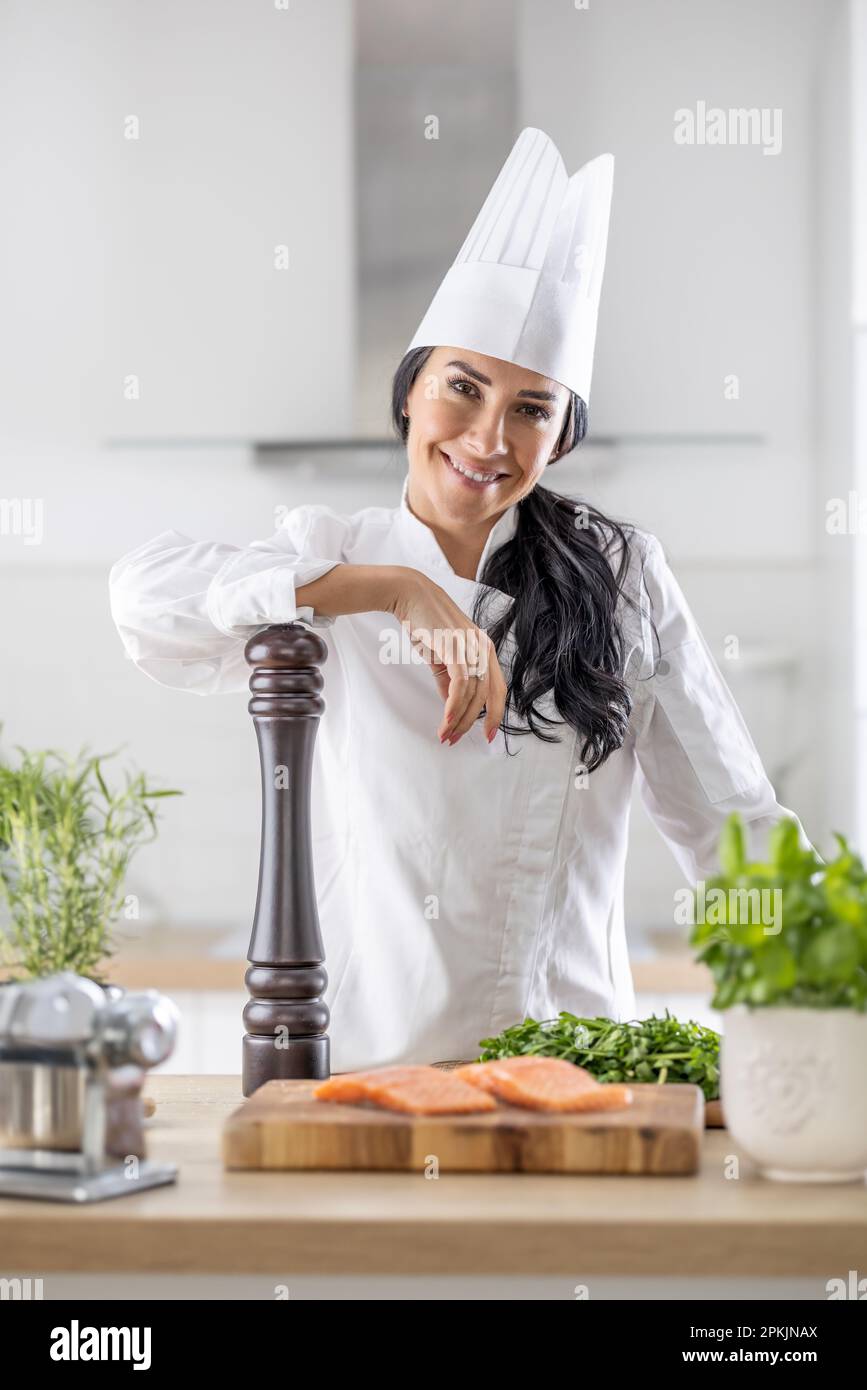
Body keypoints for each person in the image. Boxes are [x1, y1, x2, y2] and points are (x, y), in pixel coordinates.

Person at [109, 128, 809, 1070]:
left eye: (530, 408)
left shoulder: (619, 573)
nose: (487, 437)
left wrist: (821, 990)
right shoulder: (333, 560)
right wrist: (393, 592)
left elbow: (732, 825)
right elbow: (143, 597)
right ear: (409, 392)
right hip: (368, 1071)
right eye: (463, 388)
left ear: (559, 436)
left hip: (571, 1072)